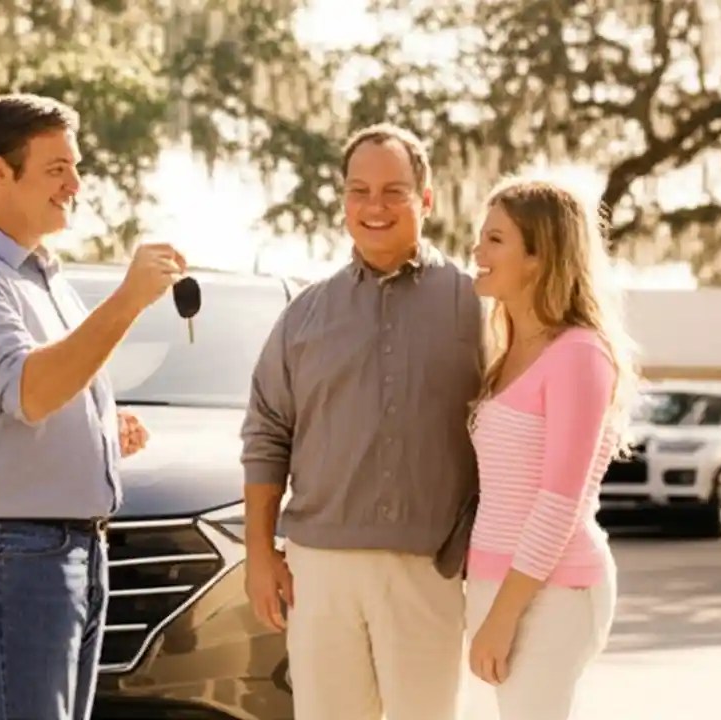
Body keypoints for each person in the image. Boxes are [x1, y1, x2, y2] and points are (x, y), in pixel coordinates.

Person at [0, 93, 186, 720]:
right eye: (57, 168)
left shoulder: (38, 274)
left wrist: (95, 427)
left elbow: (44, 389)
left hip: (69, 552)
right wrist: (128, 301)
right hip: (18, 556)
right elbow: (27, 390)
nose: (76, 184)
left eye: (76, 166)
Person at [240, 122, 484, 720]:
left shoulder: (475, 304)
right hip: (319, 571)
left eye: (394, 191)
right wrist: (259, 555)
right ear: (343, 200)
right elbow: (266, 433)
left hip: (429, 570)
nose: (374, 206)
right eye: (359, 190)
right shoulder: (305, 313)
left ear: (426, 201)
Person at [463, 175, 638, 719]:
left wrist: (503, 616)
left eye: (495, 239)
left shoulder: (580, 355)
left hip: (552, 593)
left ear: (539, 257)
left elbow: (558, 502)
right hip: (498, 585)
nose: (477, 251)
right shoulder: (506, 350)